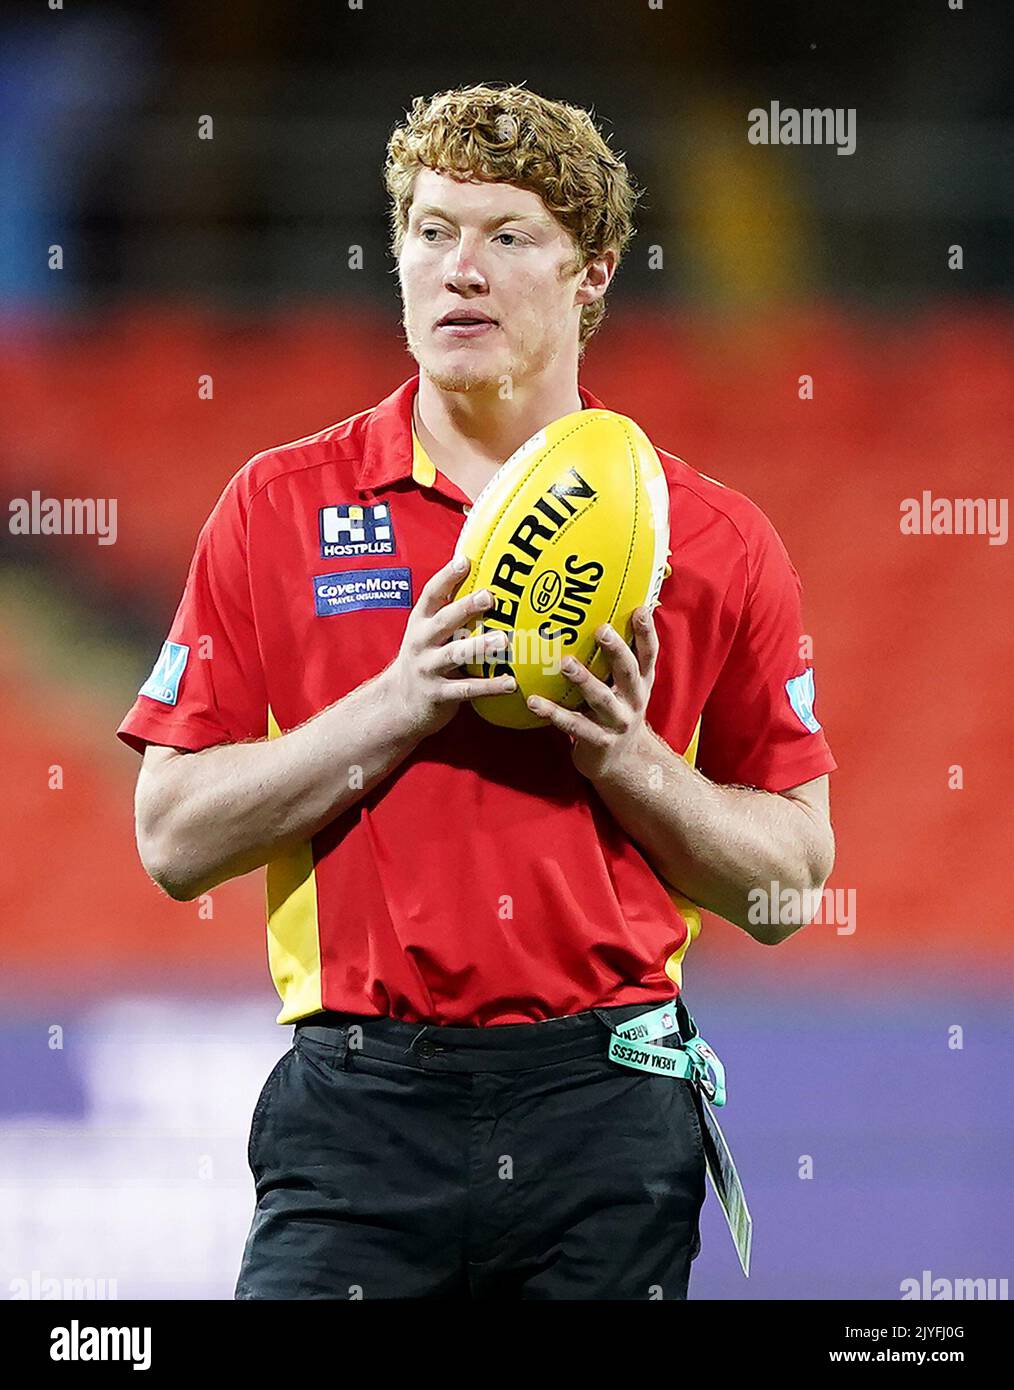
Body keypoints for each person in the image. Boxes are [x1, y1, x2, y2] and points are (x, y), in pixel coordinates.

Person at [117, 83, 836, 1300]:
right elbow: (173, 839)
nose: (461, 269)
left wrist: (631, 761)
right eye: (432, 231)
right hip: (356, 1113)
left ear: (593, 271)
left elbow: (788, 886)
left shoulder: (714, 538)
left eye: (508, 237)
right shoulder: (278, 506)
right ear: (394, 256)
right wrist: (396, 703)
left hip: (605, 1107)